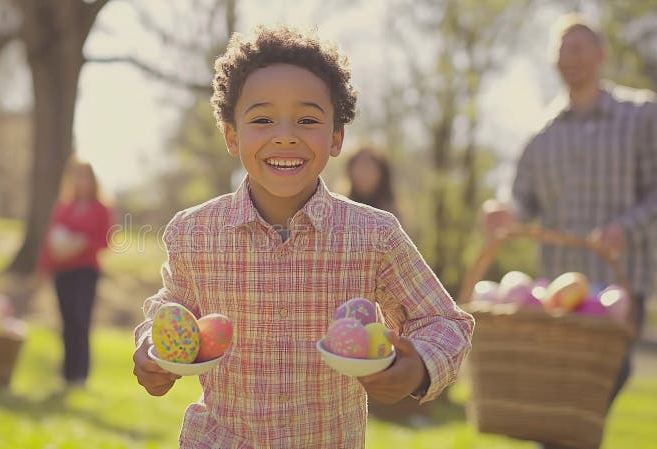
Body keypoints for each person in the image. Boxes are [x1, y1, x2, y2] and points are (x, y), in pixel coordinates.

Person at [132, 26, 475, 448]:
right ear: (232, 135)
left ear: (336, 137)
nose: (285, 135)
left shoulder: (374, 235)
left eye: (308, 120)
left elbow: (444, 321)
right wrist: (152, 348)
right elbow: (172, 308)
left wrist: (418, 367)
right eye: (262, 119)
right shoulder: (194, 232)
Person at [482, 13, 656, 448]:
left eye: (579, 47)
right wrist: (504, 212)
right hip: (558, 293)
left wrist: (624, 227)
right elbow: (521, 198)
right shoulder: (541, 133)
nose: (570, 58)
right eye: (562, 50)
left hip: (620, 281)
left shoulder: (641, 115)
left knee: (607, 377)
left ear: (601, 54)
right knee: (561, 399)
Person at [37, 160, 114, 388]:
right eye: (77, 177)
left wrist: (82, 243)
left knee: (81, 320)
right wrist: (44, 267)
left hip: (86, 271)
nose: (82, 182)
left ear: (93, 180)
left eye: (86, 177)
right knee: (67, 320)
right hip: (62, 271)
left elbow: (106, 240)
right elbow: (51, 239)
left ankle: (81, 374)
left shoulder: (101, 208)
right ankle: (67, 374)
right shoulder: (64, 207)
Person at [345, 146, 398, 216]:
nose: (361, 173)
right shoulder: (343, 207)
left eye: (367, 166)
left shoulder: (391, 214)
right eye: (358, 167)